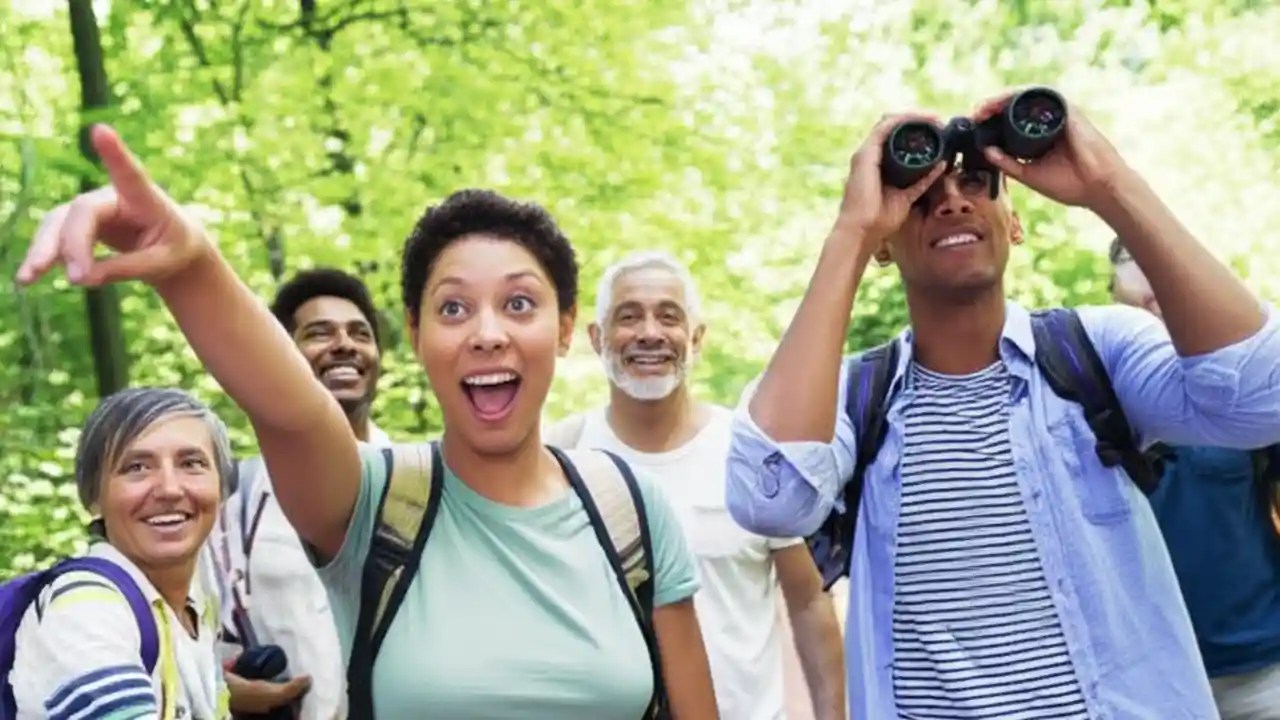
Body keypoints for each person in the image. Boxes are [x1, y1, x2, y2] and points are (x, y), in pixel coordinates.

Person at [16, 125, 719, 719]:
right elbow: (288, 407)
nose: (486, 333)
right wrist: (191, 265)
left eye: (519, 304)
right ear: (414, 334)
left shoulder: (629, 509)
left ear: (566, 328)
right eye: (452, 308)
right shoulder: (377, 503)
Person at [723, 90, 1280, 719]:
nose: (952, 201)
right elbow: (769, 499)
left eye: (977, 183)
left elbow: (1262, 396)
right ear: (883, 244)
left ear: (1014, 224)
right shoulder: (854, 399)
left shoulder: (1094, 352)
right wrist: (850, 234)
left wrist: (1108, 184)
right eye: (922, 198)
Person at [546, 251, 846, 720]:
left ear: (696, 338)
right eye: (629, 317)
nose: (650, 333)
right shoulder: (561, 459)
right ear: (596, 338)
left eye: (669, 317)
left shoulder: (749, 457)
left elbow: (808, 601)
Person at [210, 268, 391, 720]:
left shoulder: (423, 483)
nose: (345, 345)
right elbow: (183, 628)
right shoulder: (231, 500)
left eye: (360, 333)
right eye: (318, 333)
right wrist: (222, 687)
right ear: (281, 357)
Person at [1111, 237, 1280, 720]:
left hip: (1262, 672)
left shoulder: (1245, 387)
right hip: (1149, 682)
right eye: (1132, 262)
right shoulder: (1088, 381)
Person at [8, 387, 232, 719]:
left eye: (192, 463)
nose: (169, 489)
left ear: (222, 487)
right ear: (93, 498)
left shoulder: (198, 603)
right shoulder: (85, 608)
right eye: (137, 467)